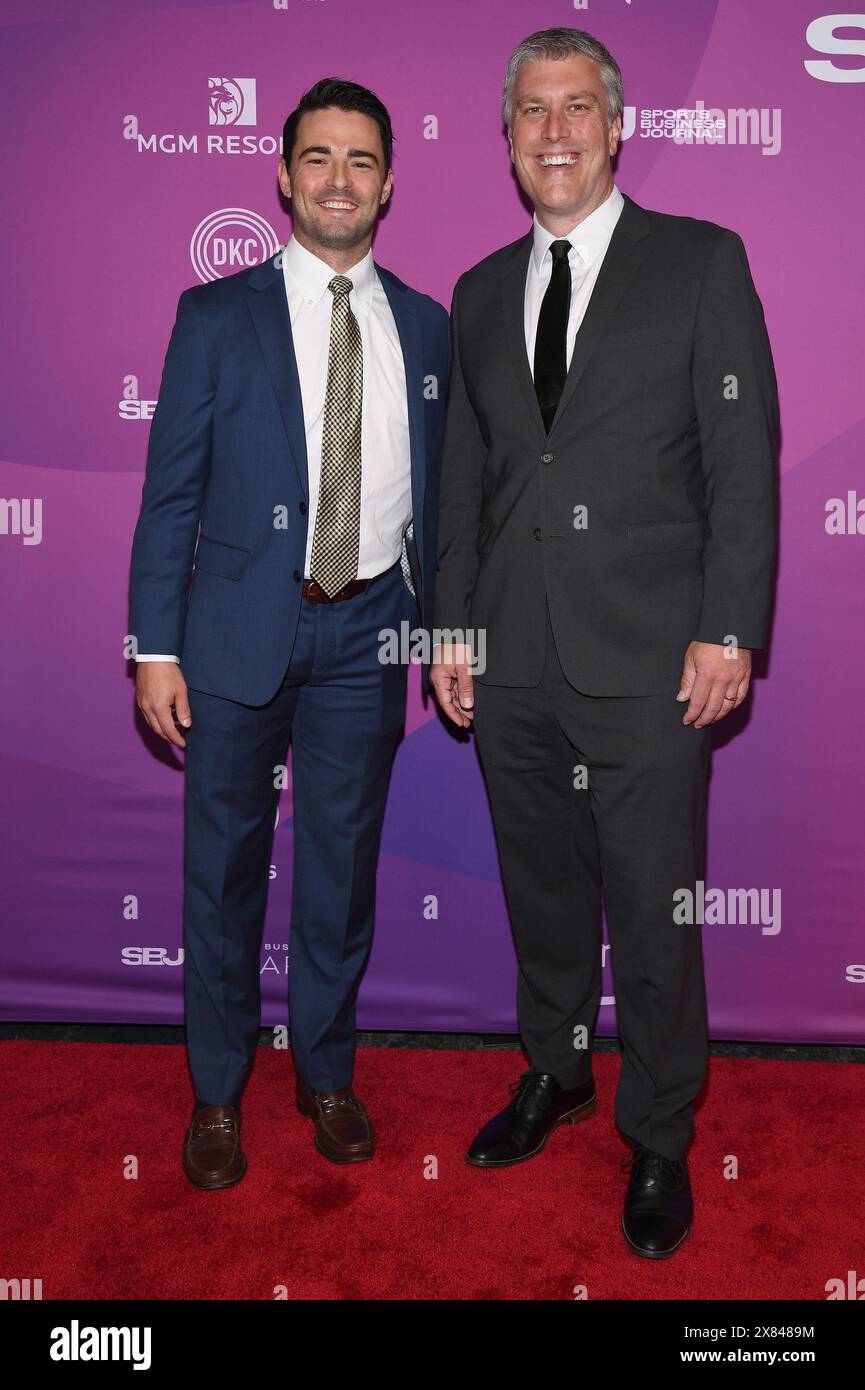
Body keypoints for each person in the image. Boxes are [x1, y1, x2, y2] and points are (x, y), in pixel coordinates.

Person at [430, 27, 778, 1258]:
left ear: (617, 126)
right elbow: (463, 480)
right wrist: (452, 623)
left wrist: (728, 628)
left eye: (577, 106)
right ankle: (558, 1068)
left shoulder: (699, 262)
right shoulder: (478, 291)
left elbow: (741, 467)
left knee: (652, 905)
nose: (556, 130)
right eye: (533, 110)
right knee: (542, 890)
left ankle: (662, 1130)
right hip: (513, 656)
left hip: (649, 659)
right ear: (508, 136)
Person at [130, 78, 449, 1187]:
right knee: (222, 872)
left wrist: (443, 631)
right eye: (318, 157)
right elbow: (170, 495)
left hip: (369, 635)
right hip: (231, 638)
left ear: (388, 183)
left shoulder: (427, 326)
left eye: (361, 161)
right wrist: (154, 646)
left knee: (341, 872)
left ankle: (326, 1072)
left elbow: (443, 505)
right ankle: (218, 1092)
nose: (338, 180)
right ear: (282, 175)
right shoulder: (214, 316)